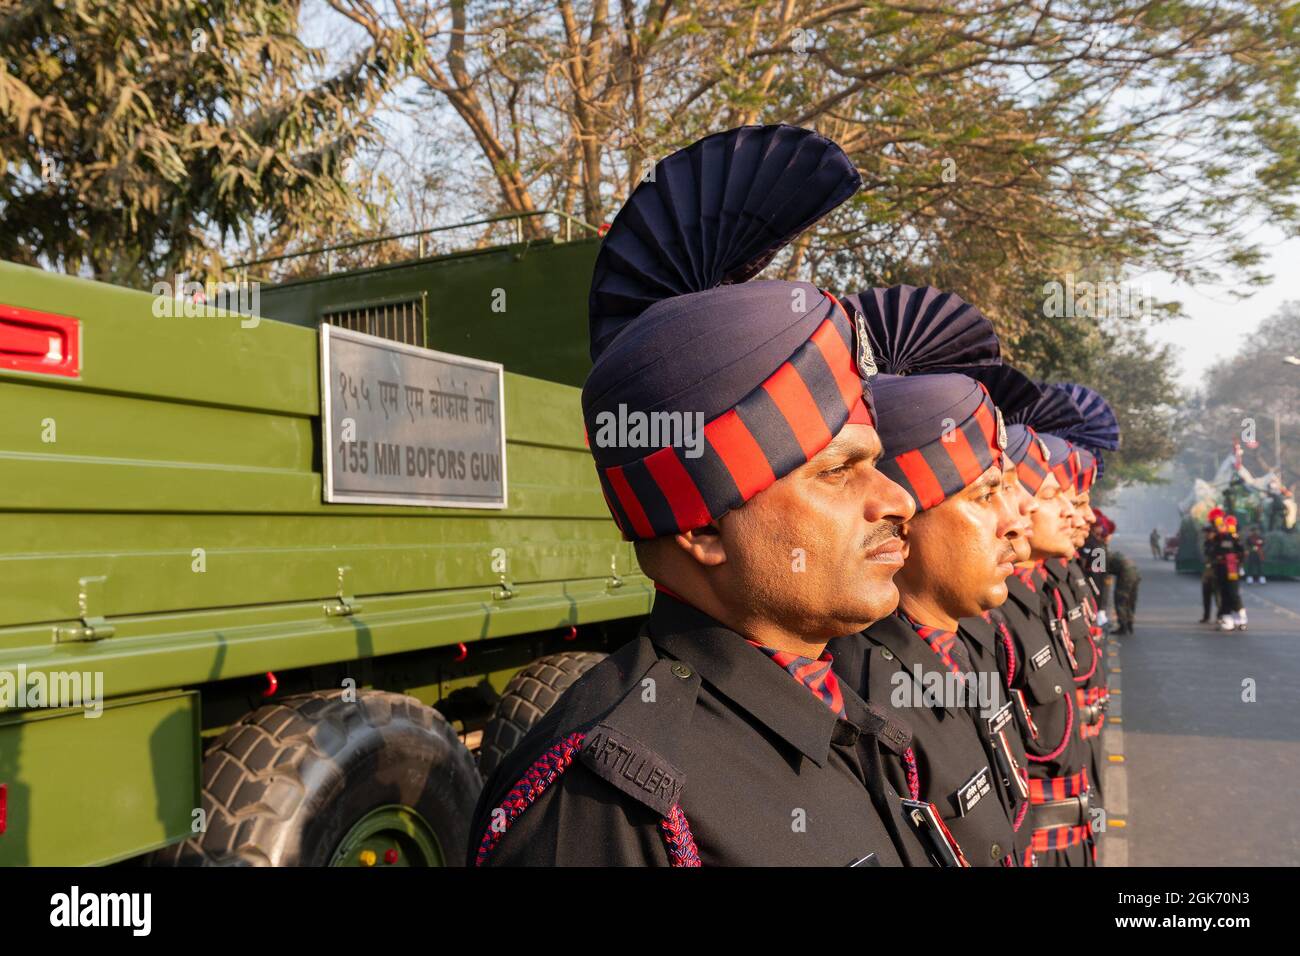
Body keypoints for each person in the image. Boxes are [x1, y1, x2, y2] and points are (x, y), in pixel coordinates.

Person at [471, 124, 934, 867]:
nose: (898, 499)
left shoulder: (829, 705)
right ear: (701, 529)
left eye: (876, 463)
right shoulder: (609, 810)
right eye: (836, 472)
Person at [828, 285, 1028, 867]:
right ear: (906, 516)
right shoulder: (857, 692)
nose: (1014, 522)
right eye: (986, 494)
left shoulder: (968, 643)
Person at [1212, 515, 1247, 631]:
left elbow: (1240, 554)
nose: (1219, 527)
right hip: (1221, 570)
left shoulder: (1234, 540)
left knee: (1233, 593)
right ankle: (1228, 620)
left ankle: (1242, 618)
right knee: (1224, 594)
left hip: (1231, 570)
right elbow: (1214, 553)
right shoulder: (1218, 538)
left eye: (1222, 525)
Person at [1200, 508, 1224, 623]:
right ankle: (1206, 616)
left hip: (1217, 572)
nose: (1206, 534)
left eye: (1208, 532)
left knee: (1218, 596)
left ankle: (1220, 616)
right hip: (1207, 572)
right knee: (1206, 595)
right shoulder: (1207, 543)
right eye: (1206, 532)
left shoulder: (1218, 543)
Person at [1111, 549, 1141, 635]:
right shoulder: (1103, 551)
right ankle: (1129, 623)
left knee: (1121, 600)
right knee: (1131, 600)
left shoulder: (1099, 554)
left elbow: (1098, 576)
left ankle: (1123, 627)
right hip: (1135, 572)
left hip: (1126, 574)